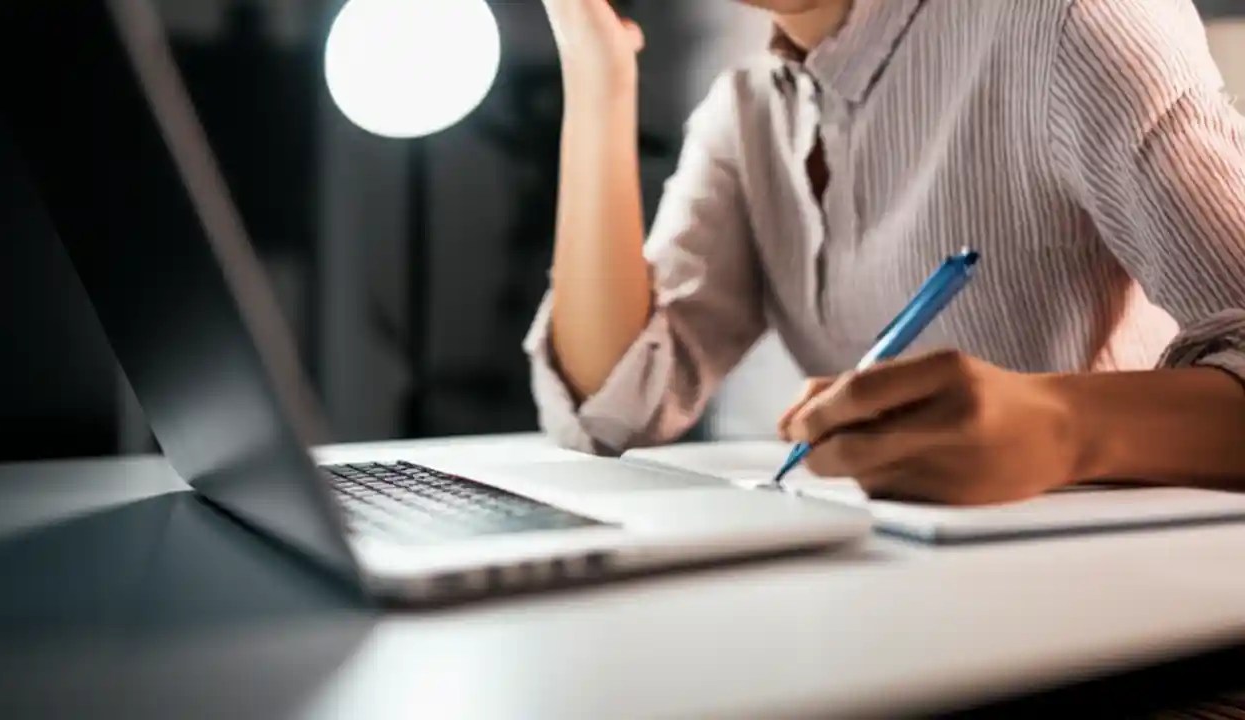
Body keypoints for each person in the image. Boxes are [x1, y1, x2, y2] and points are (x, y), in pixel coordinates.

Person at [525, 0, 1245, 505]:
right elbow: (613, 403)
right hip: (898, 609)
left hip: (1135, 633)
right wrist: (597, 73)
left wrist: (1062, 427)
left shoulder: (1068, 19)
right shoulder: (745, 111)